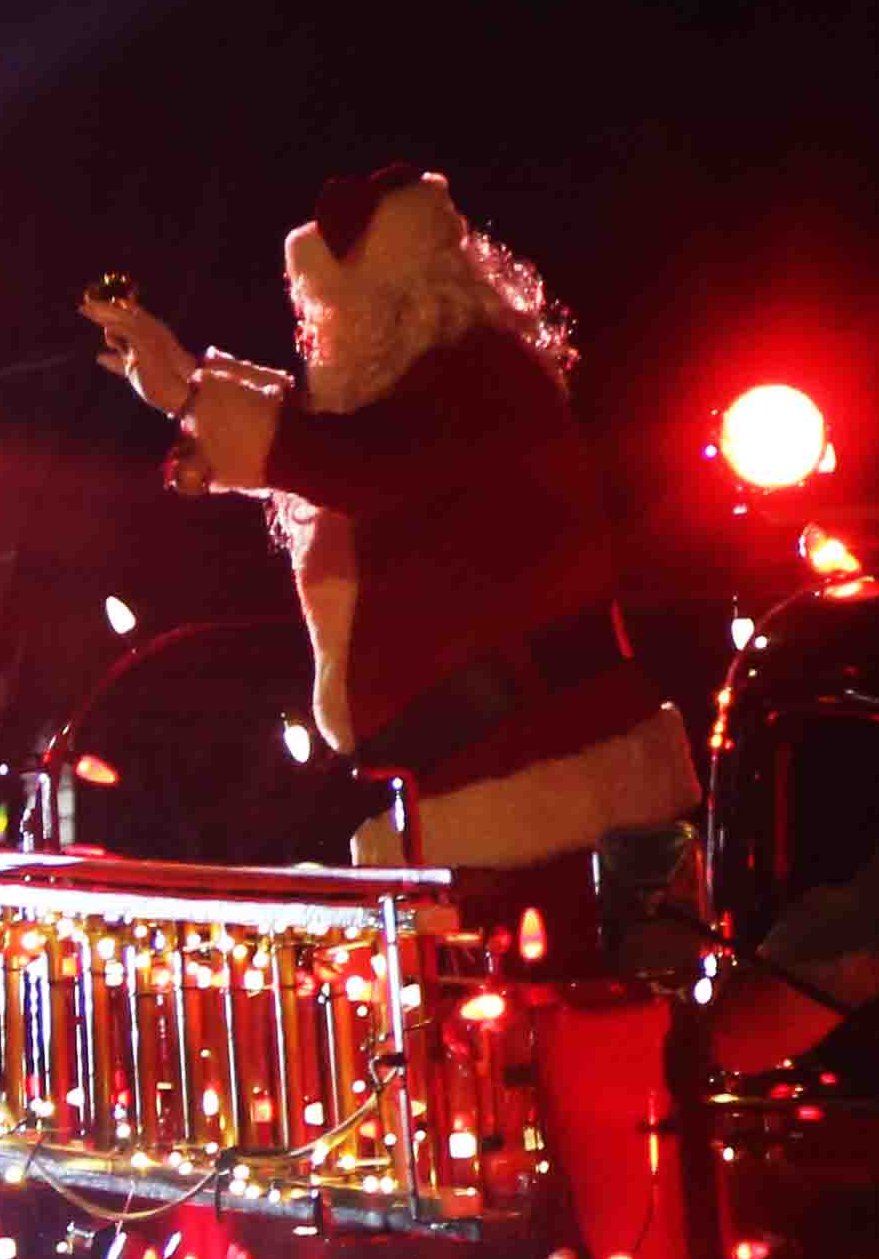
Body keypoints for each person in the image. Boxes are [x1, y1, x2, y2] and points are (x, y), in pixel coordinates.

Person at [85, 169, 695, 944]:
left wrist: (193, 398)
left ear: (390, 298)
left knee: (573, 1040)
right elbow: (333, 438)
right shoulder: (447, 381)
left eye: (332, 312)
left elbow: (365, 460)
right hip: (483, 792)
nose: (321, 335)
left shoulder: (480, 378)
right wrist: (193, 384)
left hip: (546, 791)